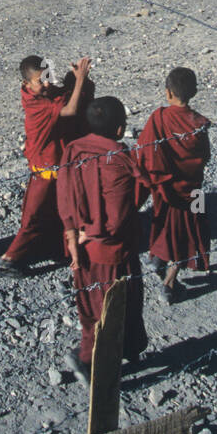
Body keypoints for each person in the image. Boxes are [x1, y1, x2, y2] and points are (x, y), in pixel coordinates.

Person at [57, 96, 147, 384]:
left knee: (91, 303)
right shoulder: (119, 161)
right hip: (109, 251)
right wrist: (90, 233)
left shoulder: (73, 150)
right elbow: (118, 218)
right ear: (120, 130)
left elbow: (64, 194)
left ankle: (106, 351)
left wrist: (73, 233)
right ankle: (92, 363)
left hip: (79, 248)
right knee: (110, 308)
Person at [0, 54, 92, 274]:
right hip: (44, 171)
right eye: (40, 81)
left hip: (56, 168)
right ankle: (8, 260)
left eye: (49, 77)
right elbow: (70, 110)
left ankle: (56, 249)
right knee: (33, 217)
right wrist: (81, 81)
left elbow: (64, 95)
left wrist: (76, 80)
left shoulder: (43, 94)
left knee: (59, 211)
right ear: (26, 84)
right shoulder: (37, 105)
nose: (47, 84)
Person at [134, 67, 211, 304]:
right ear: (195, 92)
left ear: (168, 93)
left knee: (166, 221)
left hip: (165, 189)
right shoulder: (199, 124)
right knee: (190, 232)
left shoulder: (158, 117)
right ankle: (169, 284)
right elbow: (205, 156)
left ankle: (158, 256)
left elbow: (143, 150)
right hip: (194, 191)